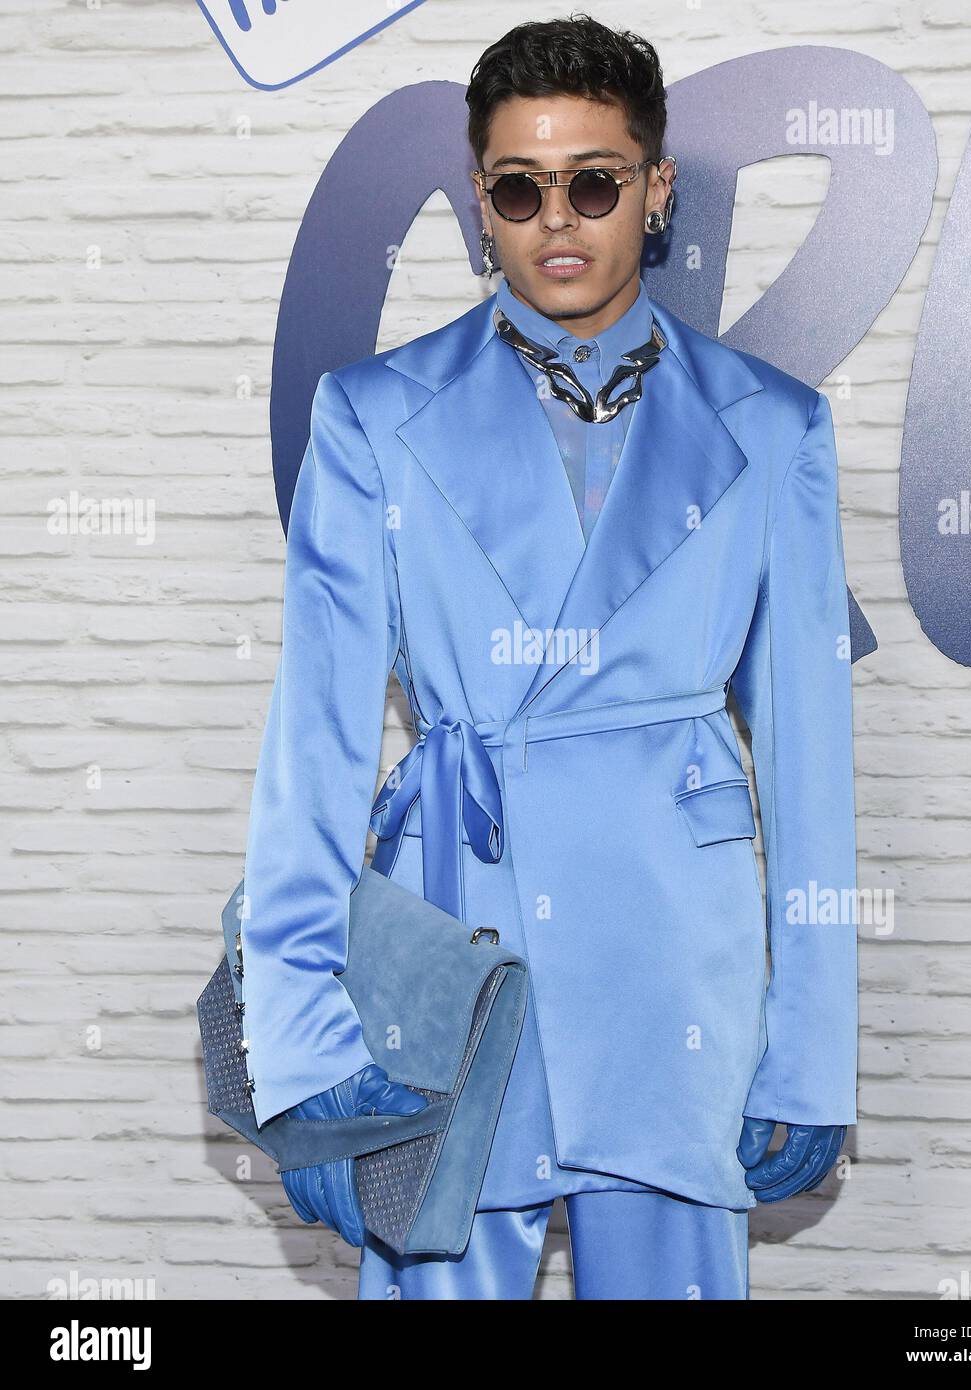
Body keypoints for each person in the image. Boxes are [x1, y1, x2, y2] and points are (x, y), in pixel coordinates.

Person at [239, 13, 858, 1300]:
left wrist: (809, 1049)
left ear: (654, 188)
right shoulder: (370, 415)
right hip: (461, 946)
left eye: (593, 181)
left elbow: (809, 765)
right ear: (481, 203)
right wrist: (298, 1033)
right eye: (519, 189)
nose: (557, 219)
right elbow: (316, 746)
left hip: (671, 964)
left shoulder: (773, 426)